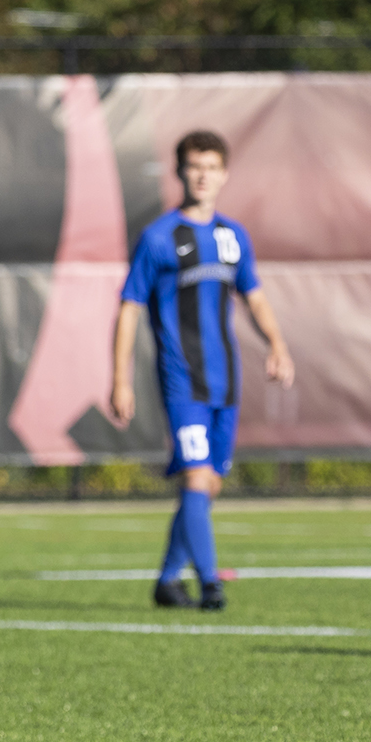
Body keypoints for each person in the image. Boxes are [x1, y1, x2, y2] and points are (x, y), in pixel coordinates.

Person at [111, 130, 294, 611]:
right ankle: (210, 582)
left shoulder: (234, 237)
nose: (203, 176)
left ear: (225, 174)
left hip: (226, 382)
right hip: (182, 381)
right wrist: (120, 379)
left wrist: (277, 344)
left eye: (211, 167)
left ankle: (168, 581)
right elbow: (130, 307)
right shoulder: (158, 238)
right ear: (179, 173)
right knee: (196, 477)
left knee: (209, 483)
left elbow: (253, 295)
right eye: (194, 167)